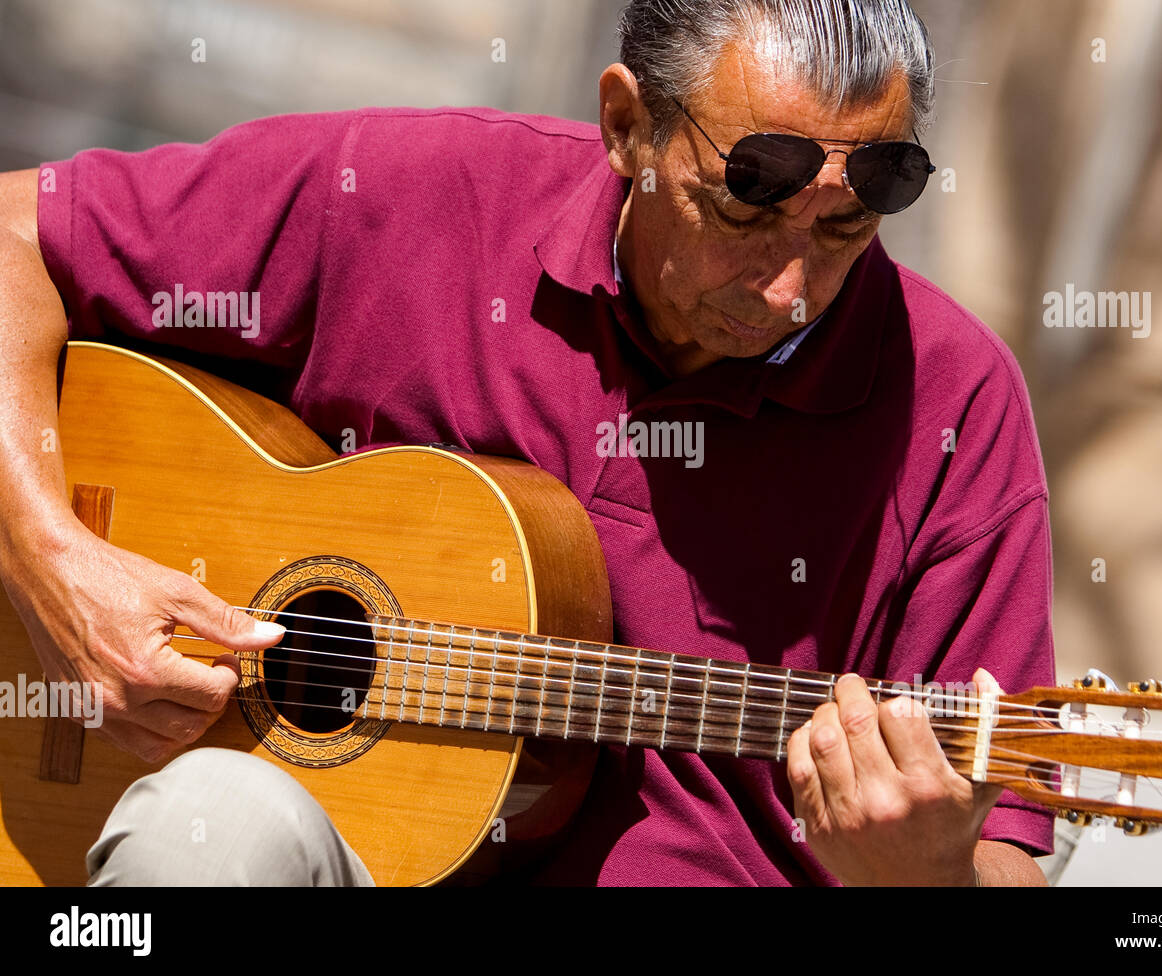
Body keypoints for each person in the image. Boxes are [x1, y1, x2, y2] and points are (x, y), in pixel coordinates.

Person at [0, 0, 1055, 885]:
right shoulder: (407, 198)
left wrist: (929, 873)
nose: (790, 290)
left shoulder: (954, 404)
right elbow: (10, 234)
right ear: (626, 124)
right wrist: (49, 556)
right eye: (741, 212)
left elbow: (1008, 849)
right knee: (210, 824)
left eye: (843, 231)